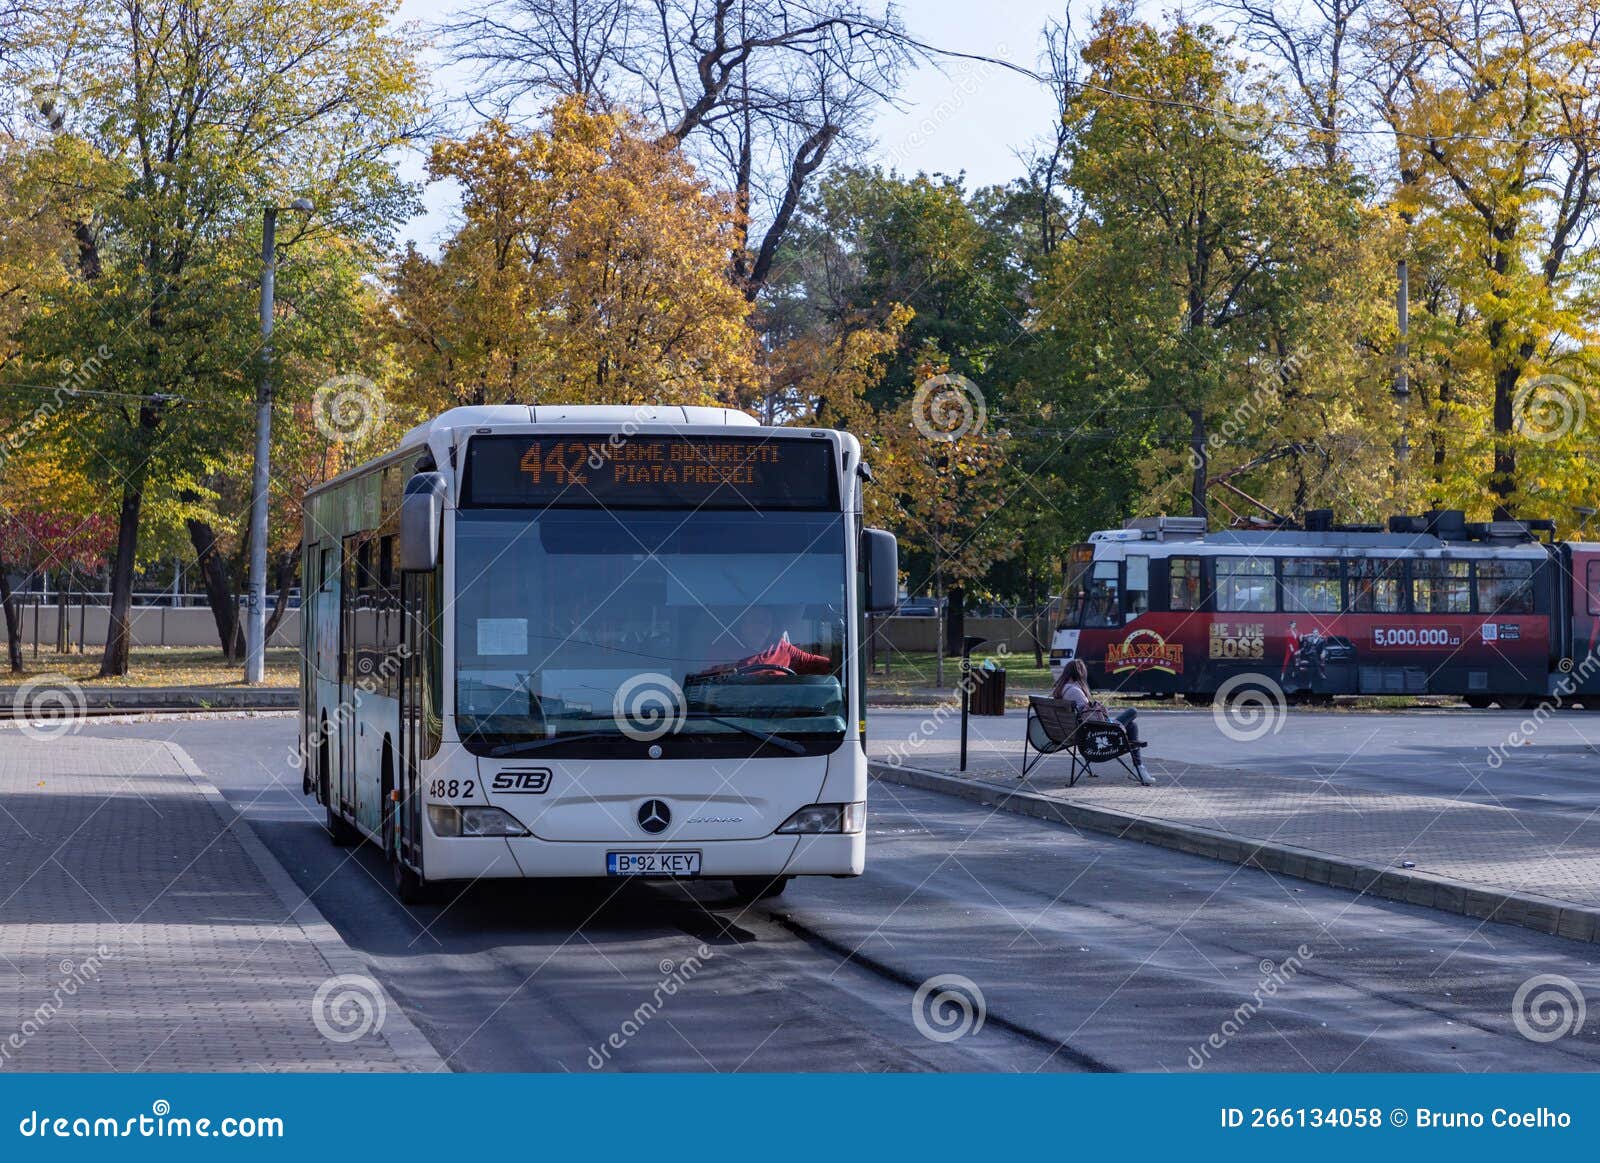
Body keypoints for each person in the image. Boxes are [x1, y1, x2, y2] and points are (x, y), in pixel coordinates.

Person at [1051, 658, 1153, 785]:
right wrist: (1101, 711)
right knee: (1132, 712)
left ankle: (1138, 768)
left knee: (1132, 726)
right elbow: (1090, 717)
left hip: (1071, 733)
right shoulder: (1075, 691)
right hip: (1094, 734)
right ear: (1081, 674)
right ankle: (1138, 768)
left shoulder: (1061, 689)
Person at [710, 606, 833, 676]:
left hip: (780, 712)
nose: (761, 627)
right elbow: (710, 680)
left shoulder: (781, 647)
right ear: (742, 625)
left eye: (766, 622)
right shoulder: (722, 650)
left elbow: (816, 662)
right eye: (755, 621)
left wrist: (843, 659)